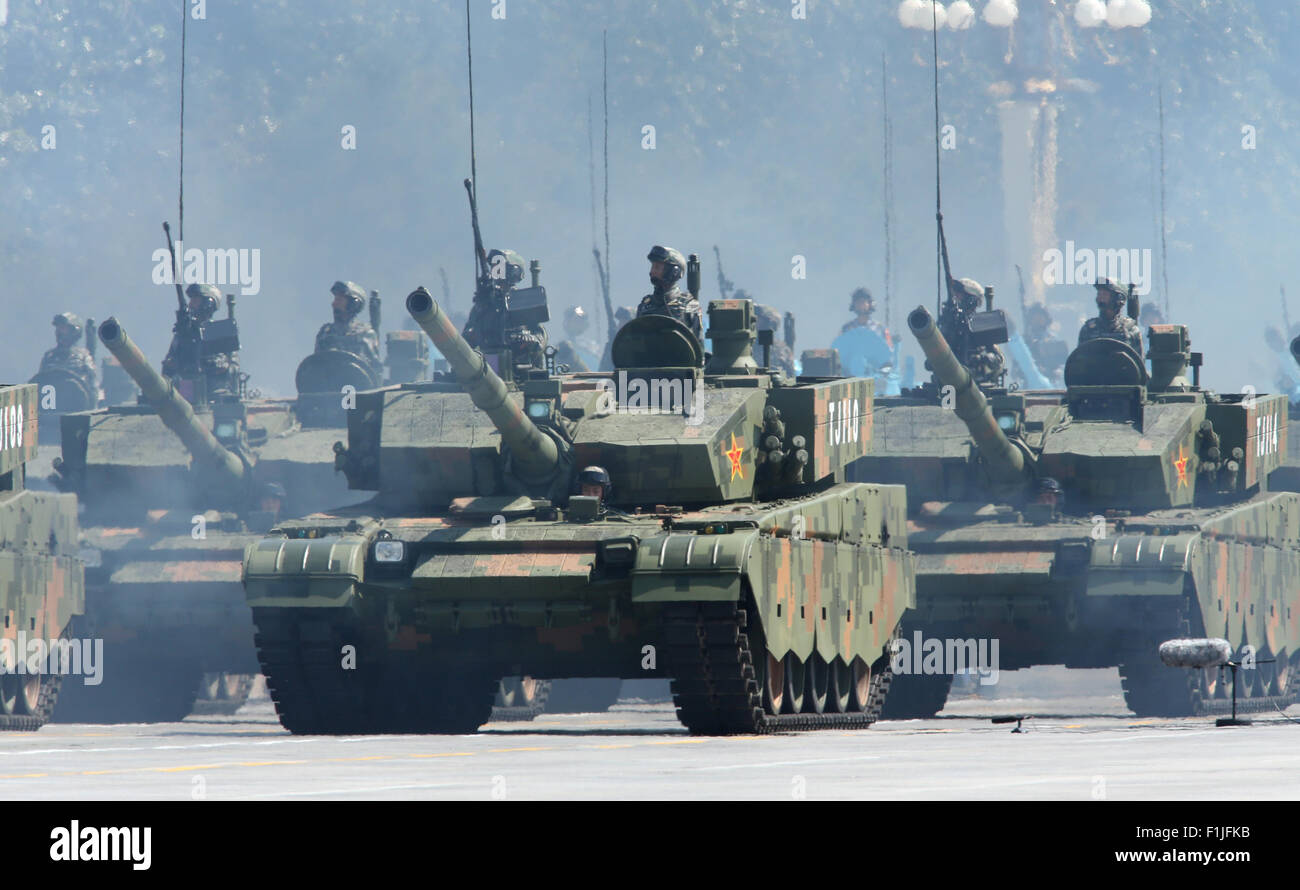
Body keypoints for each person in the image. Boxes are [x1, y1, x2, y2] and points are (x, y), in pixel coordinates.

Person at [462, 249, 547, 368]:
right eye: (496, 268)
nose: (499, 275)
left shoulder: (523, 301)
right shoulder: (483, 306)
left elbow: (540, 334)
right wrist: (474, 335)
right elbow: (465, 340)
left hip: (524, 367)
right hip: (490, 368)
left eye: (502, 269)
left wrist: (531, 340)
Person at [162, 283, 240, 397]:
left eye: (195, 300)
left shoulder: (220, 331)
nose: (191, 304)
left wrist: (218, 365)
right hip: (185, 394)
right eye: (191, 300)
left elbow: (233, 367)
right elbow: (168, 370)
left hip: (217, 395)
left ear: (208, 303)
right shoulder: (183, 335)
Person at [314, 280, 383, 382]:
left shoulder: (365, 334)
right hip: (327, 387)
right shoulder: (325, 333)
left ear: (353, 304)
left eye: (339, 300)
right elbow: (314, 367)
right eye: (335, 299)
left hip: (357, 390)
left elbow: (375, 372)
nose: (334, 304)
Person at [636, 245, 702, 342]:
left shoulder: (689, 305)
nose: (652, 272)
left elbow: (698, 345)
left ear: (673, 271)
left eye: (657, 267)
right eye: (652, 266)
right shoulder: (645, 305)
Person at [36, 313, 98, 399]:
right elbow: (40, 382)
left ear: (74, 331)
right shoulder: (49, 356)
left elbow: (92, 385)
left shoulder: (83, 356)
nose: (59, 332)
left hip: (77, 406)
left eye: (63, 328)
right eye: (58, 328)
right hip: (51, 406)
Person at [1078, 279, 1143, 356]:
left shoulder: (1131, 330)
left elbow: (1139, 363)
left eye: (1105, 294)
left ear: (1118, 298)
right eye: (1099, 294)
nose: (1100, 298)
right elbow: (1079, 362)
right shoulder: (1088, 330)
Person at [1023, 302, 1068, 381]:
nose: (1038, 319)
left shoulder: (1053, 339)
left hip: (1050, 381)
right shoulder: (1025, 340)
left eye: (1041, 315)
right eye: (1034, 316)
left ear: (1046, 318)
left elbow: (1061, 363)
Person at [553, 306, 601, 372]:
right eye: (576, 320)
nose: (580, 323)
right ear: (566, 323)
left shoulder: (592, 347)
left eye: (582, 320)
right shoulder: (559, 346)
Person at [754, 303, 797, 376]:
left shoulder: (780, 351)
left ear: (769, 322)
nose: (754, 322)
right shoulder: (745, 347)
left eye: (758, 319)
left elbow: (789, 377)